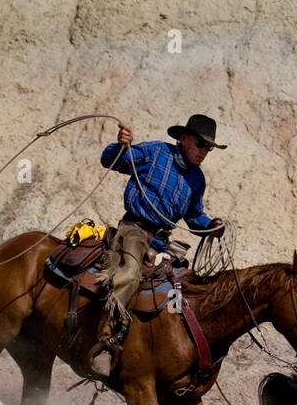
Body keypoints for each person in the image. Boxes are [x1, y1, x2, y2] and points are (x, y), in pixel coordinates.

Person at [91, 114, 227, 373]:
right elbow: (112, 161)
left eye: (209, 148)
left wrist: (211, 226)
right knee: (129, 273)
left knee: (188, 287)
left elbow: (194, 216)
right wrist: (121, 145)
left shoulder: (197, 179)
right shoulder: (155, 152)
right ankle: (106, 340)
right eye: (201, 144)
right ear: (184, 138)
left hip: (164, 241)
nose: (204, 152)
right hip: (134, 229)